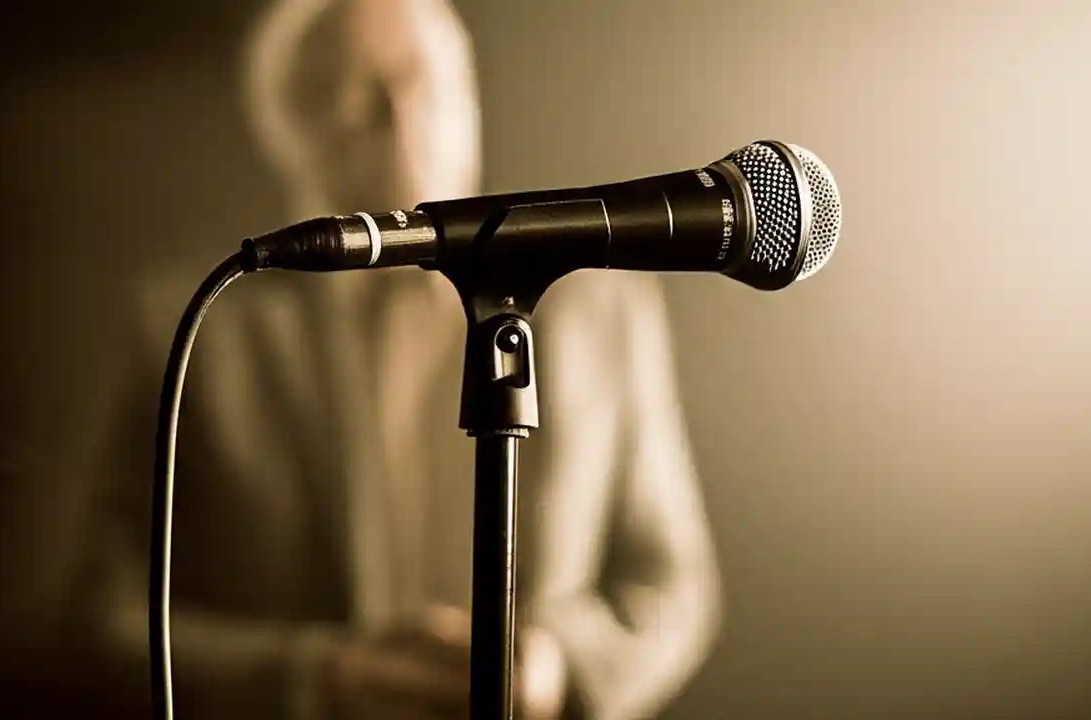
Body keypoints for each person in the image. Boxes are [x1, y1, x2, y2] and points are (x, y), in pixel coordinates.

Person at [93, 0, 721, 717]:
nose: (402, 118)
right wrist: (314, 676)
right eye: (351, 93)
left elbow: (671, 583)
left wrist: (557, 667)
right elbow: (99, 614)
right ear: (284, 128)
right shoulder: (199, 325)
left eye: (426, 82)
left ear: (472, 98)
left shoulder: (594, 309)